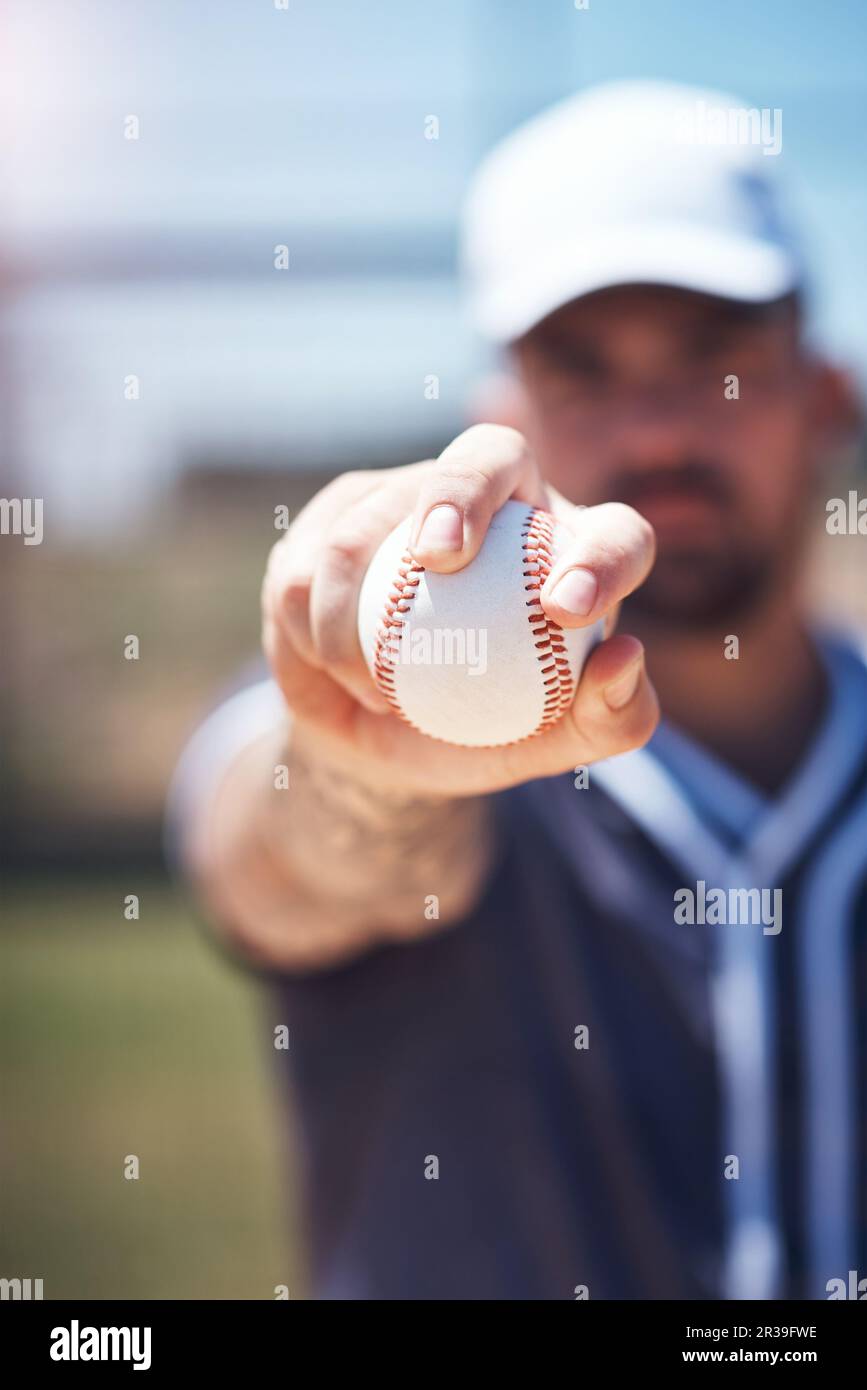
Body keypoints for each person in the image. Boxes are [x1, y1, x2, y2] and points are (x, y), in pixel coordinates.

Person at [169, 81, 866, 1300]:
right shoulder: (398, 726)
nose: (654, 435)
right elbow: (275, 860)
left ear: (826, 398)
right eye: (580, 370)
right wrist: (362, 771)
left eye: (716, 360)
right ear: (505, 424)